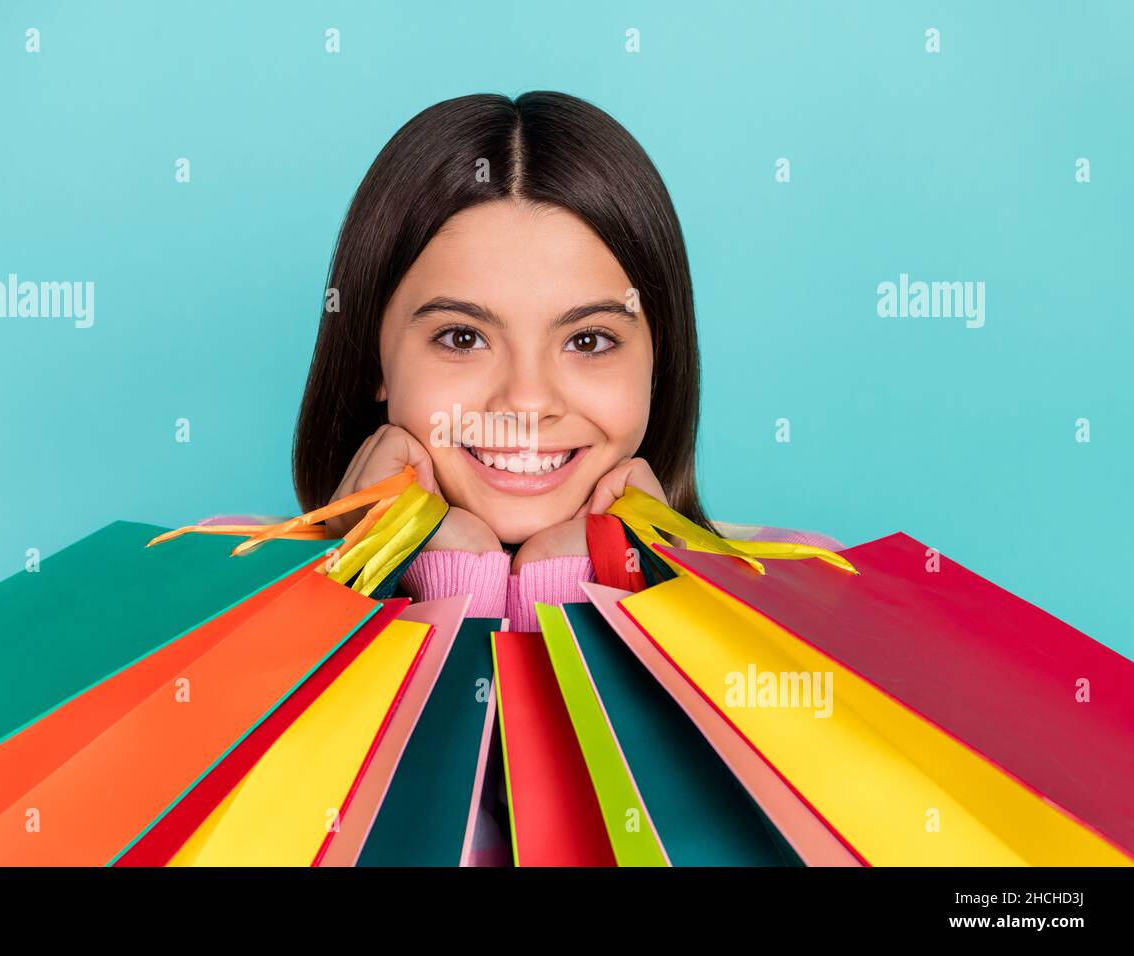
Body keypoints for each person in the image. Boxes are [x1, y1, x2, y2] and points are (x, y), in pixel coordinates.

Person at [292, 91, 842, 630]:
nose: (528, 400)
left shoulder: (814, 594)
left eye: (587, 341)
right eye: (463, 338)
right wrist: (432, 577)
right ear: (372, 360)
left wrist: (581, 590)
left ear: (659, 360)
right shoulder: (228, 594)